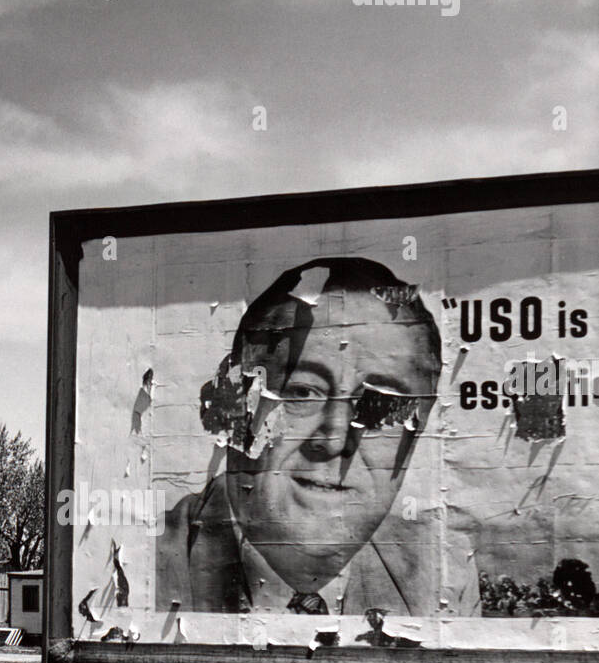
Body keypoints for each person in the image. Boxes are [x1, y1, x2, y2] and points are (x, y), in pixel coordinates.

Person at [156, 256, 480, 617]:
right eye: (302, 393)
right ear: (236, 403)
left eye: (381, 407)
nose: (335, 438)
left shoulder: (442, 574)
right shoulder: (150, 561)